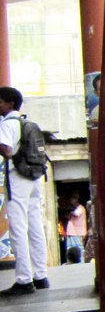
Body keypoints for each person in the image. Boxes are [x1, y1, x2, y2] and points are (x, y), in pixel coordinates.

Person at [0, 87, 49, 296]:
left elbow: (7, 149)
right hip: (34, 177)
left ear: (10, 103)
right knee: (35, 225)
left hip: (18, 176)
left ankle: (23, 279)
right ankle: (41, 275)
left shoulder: (8, 124)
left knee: (18, 227)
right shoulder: (27, 122)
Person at [64, 192, 87, 263]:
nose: (71, 201)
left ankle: (81, 262)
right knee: (70, 248)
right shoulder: (77, 208)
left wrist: (70, 213)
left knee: (78, 248)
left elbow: (76, 214)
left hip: (76, 233)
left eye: (72, 199)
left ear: (76, 200)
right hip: (73, 233)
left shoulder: (80, 208)